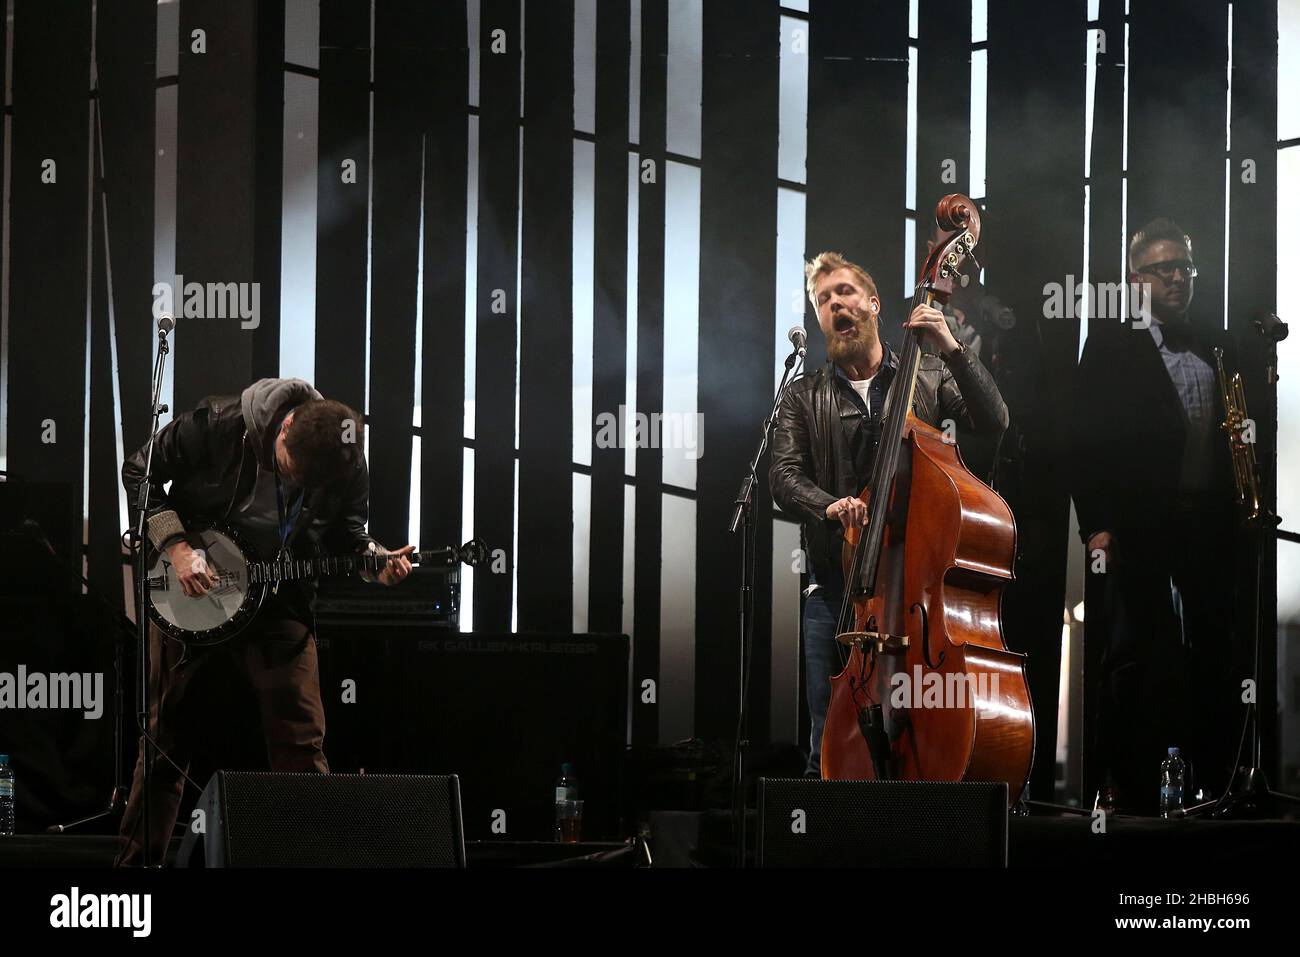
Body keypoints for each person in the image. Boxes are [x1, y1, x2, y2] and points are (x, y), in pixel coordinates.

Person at [115, 377, 413, 865]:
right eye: (288, 473)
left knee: (301, 739)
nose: (294, 486)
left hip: (279, 599)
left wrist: (374, 562)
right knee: (166, 739)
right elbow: (140, 471)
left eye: (305, 486)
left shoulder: (343, 459)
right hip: (196, 585)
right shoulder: (219, 422)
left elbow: (347, 534)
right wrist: (175, 546)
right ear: (284, 426)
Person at [770, 251, 1009, 776]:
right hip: (835, 591)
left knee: (922, 743)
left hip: (915, 596)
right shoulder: (802, 396)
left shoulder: (924, 376)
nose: (835, 305)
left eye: (845, 293)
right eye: (823, 300)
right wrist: (829, 506)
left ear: (874, 304)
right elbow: (782, 476)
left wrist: (952, 349)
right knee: (826, 744)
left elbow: (994, 420)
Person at [1070, 218, 1240, 812]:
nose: (1178, 277)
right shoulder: (1111, 345)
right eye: (1165, 268)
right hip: (1135, 527)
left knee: (1213, 654)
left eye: (1186, 267)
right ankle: (1123, 791)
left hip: (1205, 527)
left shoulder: (1213, 345)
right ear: (1136, 278)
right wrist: (1097, 524)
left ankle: (1214, 784)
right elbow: (1083, 443)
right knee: (1132, 655)